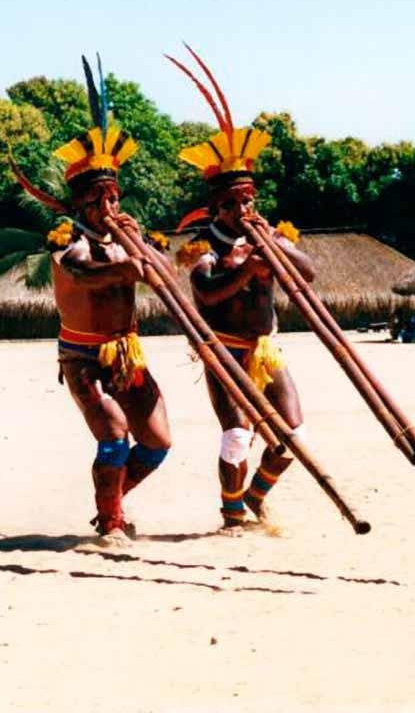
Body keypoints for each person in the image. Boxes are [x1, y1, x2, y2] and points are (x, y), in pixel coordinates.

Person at [11, 55, 171, 548]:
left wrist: (143, 251)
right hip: (82, 356)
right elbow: (88, 273)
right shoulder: (67, 241)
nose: (109, 208)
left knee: (158, 443)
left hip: (127, 354)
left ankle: (111, 505)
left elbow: (164, 278)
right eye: (99, 200)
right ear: (80, 203)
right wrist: (131, 263)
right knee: (115, 433)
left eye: (114, 198)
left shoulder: (132, 237)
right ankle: (111, 525)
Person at [168, 45, 316, 534]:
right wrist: (243, 267)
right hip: (225, 351)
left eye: (250, 199)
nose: (245, 209)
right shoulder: (202, 246)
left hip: (265, 348)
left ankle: (256, 494)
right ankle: (231, 514)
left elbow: (307, 274)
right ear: (217, 208)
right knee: (237, 436)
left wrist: (270, 247)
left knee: (293, 432)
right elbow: (206, 297)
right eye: (235, 203)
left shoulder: (270, 236)